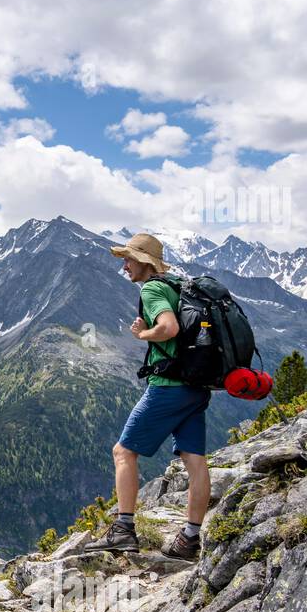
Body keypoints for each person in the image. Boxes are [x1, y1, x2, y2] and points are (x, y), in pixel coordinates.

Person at [84, 233, 210, 559]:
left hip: (168, 388)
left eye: (128, 259)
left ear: (144, 262)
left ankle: (123, 530)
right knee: (194, 461)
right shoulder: (176, 287)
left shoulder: (153, 289)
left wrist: (143, 335)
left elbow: (169, 328)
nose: (124, 266)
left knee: (123, 452)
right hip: (195, 388)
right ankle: (189, 538)